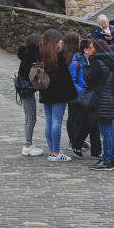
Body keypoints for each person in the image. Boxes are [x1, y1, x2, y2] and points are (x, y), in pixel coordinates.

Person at [38, 28, 77, 161]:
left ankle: (52, 150)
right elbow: (65, 78)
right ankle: (56, 152)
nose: (61, 42)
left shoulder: (41, 54)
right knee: (56, 122)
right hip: (59, 93)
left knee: (49, 121)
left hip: (45, 91)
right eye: (60, 39)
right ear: (55, 41)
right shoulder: (58, 56)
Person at [86, 40, 114, 170]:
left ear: (97, 49)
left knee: (106, 132)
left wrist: (86, 66)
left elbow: (89, 79)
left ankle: (106, 161)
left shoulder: (97, 62)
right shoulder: (109, 61)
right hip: (109, 98)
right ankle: (110, 160)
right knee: (109, 132)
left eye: (91, 47)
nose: (89, 49)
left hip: (102, 99)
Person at [65, 31, 98, 159]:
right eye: (91, 48)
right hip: (78, 96)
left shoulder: (92, 61)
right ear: (85, 50)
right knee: (76, 120)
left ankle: (81, 144)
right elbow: (72, 81)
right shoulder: (76, 63)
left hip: (89, 96)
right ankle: (74, 142)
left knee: (88, 121)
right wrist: (83, 92)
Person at [16, 32, 44, 156]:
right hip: (27, 90)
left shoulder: (25, 55)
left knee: (28, 117)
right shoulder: (32, 59)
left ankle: (29, 143)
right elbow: (33, 76)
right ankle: (27, 145)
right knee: (31, 118)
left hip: (22, 88)